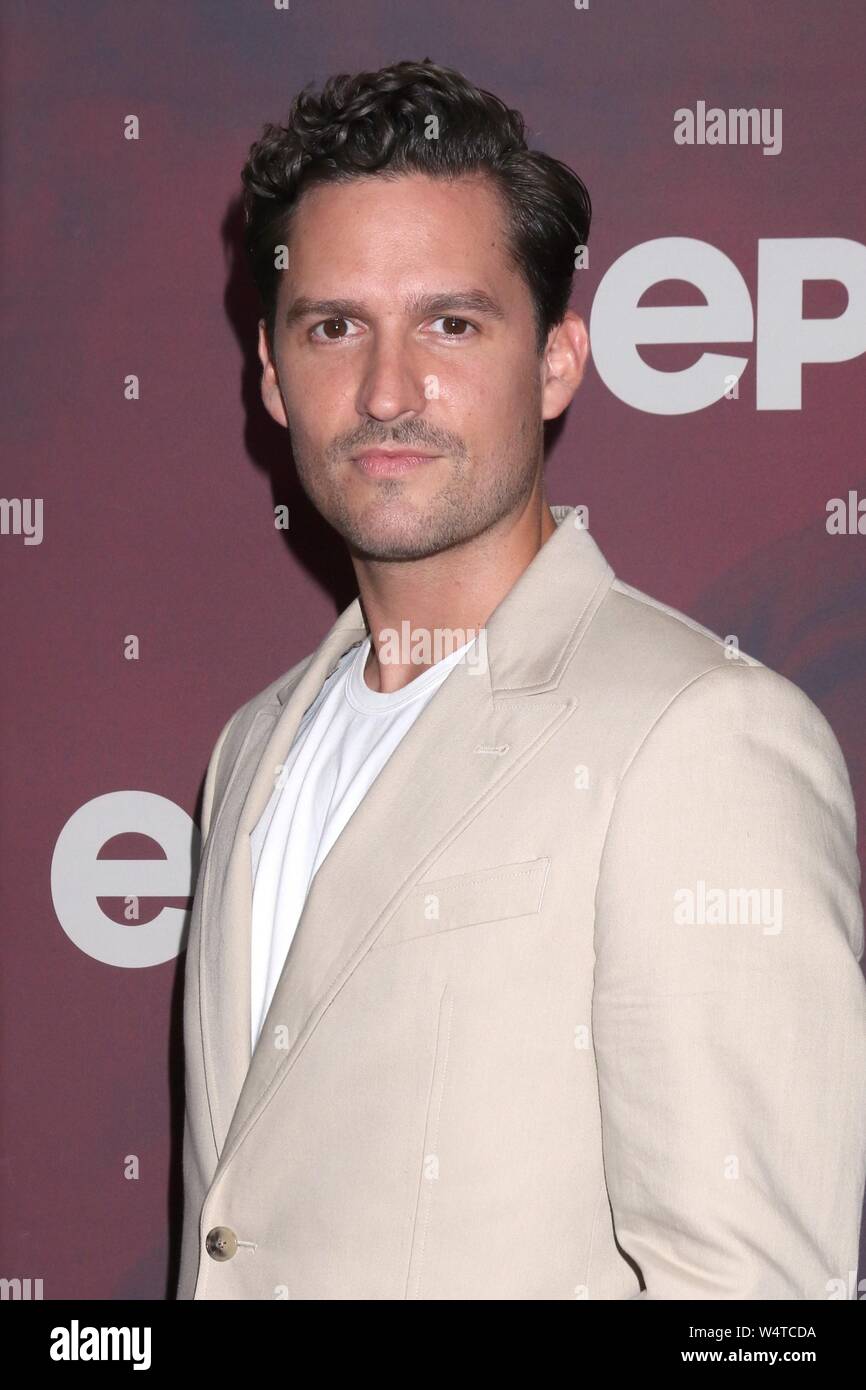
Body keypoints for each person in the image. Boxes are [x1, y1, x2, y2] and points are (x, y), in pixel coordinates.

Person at [178, 58, 866, 1300]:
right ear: (272, 377)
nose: (388, 391)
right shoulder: (250, 750)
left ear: (554, 363)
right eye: (334, 326)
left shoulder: (697, 736)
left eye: (451, 323)